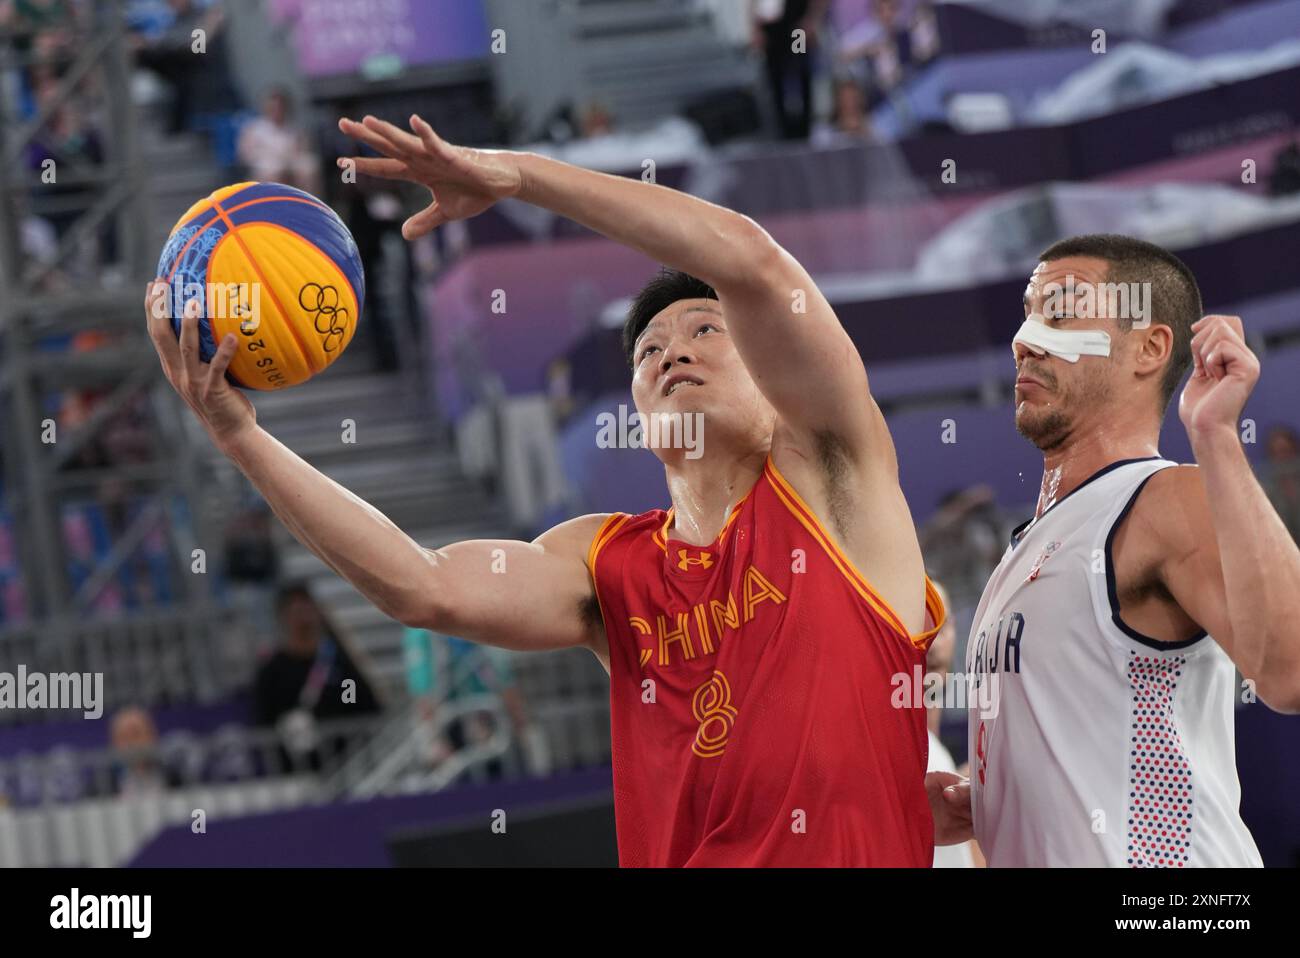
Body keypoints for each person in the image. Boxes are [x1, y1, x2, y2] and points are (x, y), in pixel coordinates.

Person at [144, 111, 947, 867]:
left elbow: (751, 261)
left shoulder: (834, 475)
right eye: (648, 351)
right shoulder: (608, 563)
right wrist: (241, 438)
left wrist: (518, 178)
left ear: (774, 377)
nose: (671, 352)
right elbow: (425, 588)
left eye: (706, 330)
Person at [932, 234, 1300, 867]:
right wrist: (990, 800)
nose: (1026, 337)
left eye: (1060, 312)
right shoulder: (1025, 552)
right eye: (1027, 313)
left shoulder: (1164, 498)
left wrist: (1214, 436)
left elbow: (1291, 672)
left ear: (1149, 348)